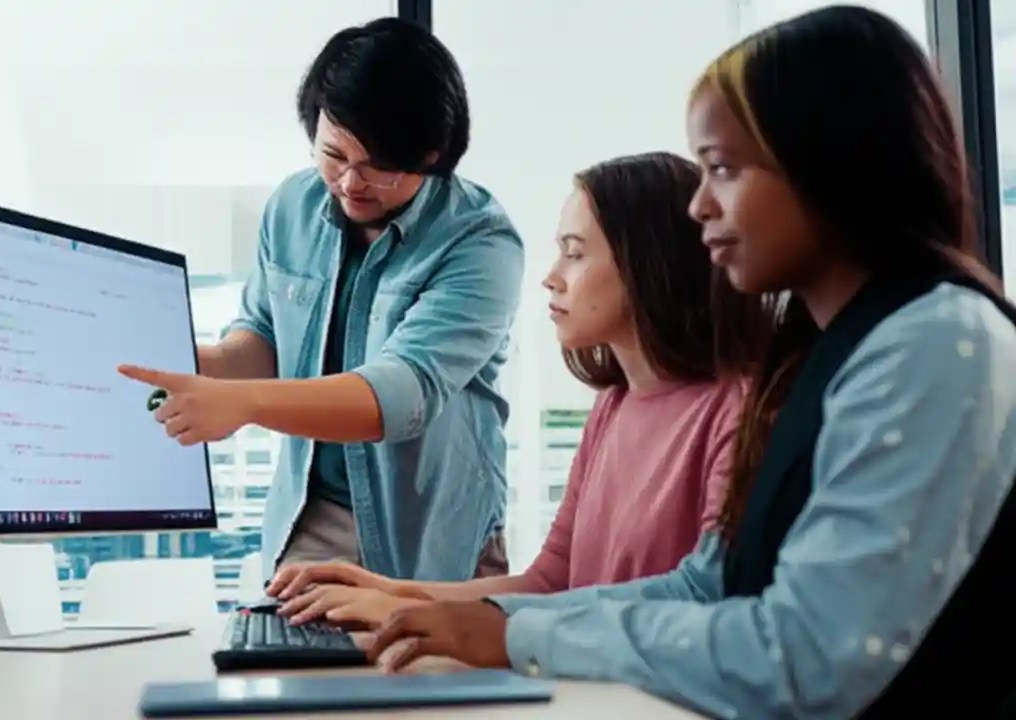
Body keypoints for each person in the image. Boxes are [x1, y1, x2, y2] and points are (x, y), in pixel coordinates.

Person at [364, 7, 1016, 719]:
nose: (701, 206)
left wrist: (518, 633)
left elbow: (808, 655)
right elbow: (709, 585)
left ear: (827, 163)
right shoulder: (825, 356)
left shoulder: (935, 341)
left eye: (725, 171)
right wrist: (490, 622)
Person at [265, 152, 771, 629]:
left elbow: (705, 594)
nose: (551, 279)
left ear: (648, 264)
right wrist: (392, 593)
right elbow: (550, 581)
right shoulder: (613, 407)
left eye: (574, 253)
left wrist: (415, 612)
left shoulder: (738, 410)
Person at [118, 18, 523, 583]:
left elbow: (403, 393)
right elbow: (261, 342)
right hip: (311, 523)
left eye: (380, 168)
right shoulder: (291, 207)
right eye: (334, 156)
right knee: (285, 659)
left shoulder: (480, 242)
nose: (352, 183)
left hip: (433, 537)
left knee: (432, 672)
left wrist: (246, 405)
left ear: (431, 157)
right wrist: (181, 365)